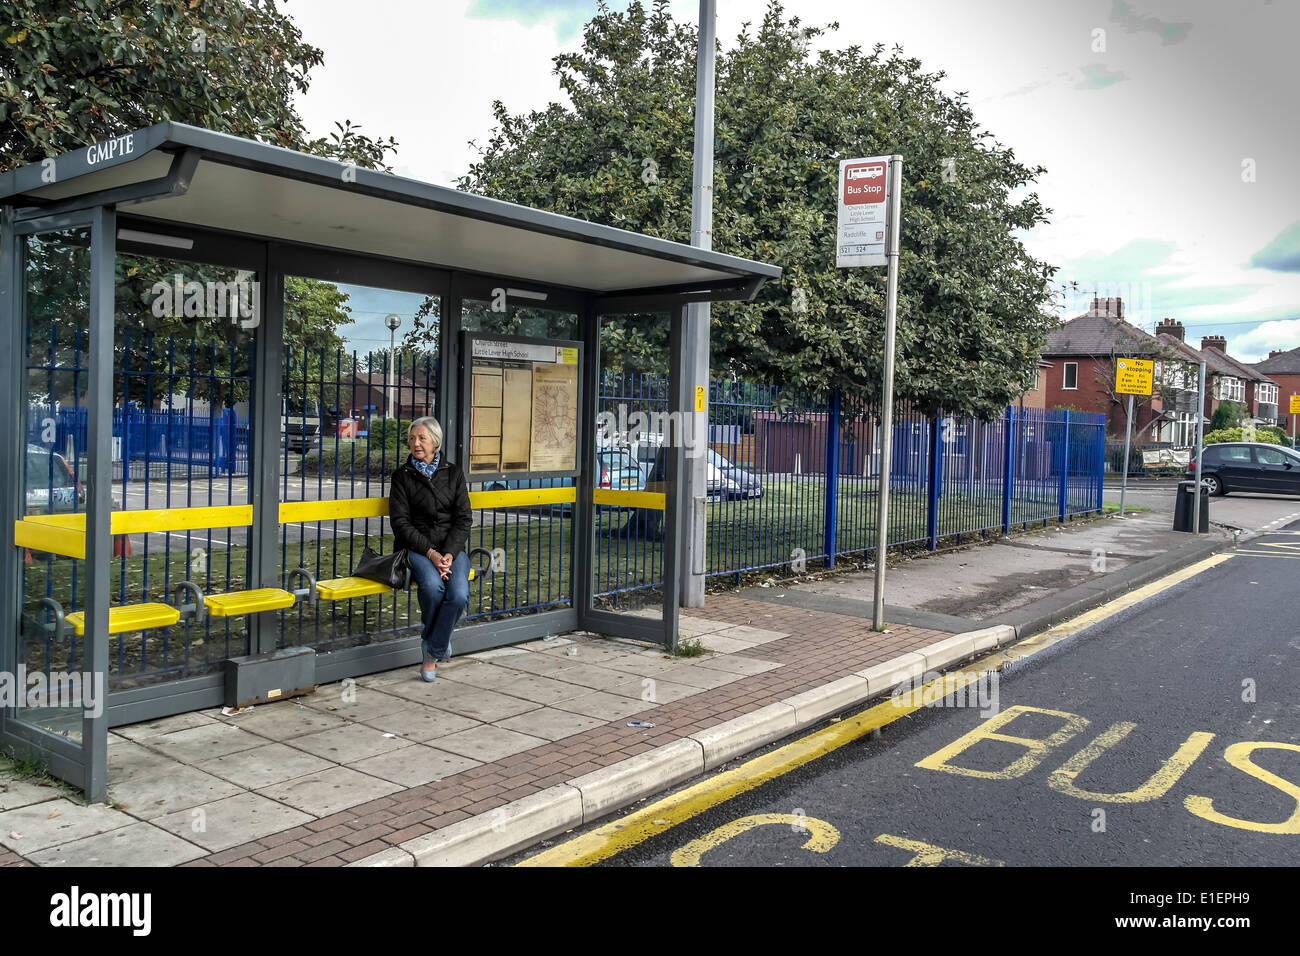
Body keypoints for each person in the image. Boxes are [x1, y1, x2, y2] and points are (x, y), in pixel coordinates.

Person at [388, 417, 472, 681]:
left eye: (422, 438)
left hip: (451, 549)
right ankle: (436, 650)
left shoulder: (454, 473)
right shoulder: (402, 476)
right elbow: (400, 523)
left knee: (458, 594)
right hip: (417, 548)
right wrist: (431, 554)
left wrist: (448, 553)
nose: (416, 443)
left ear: (435, 441)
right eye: (412, 438)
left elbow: (463, 518)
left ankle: (432, 647)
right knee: (433, 588)